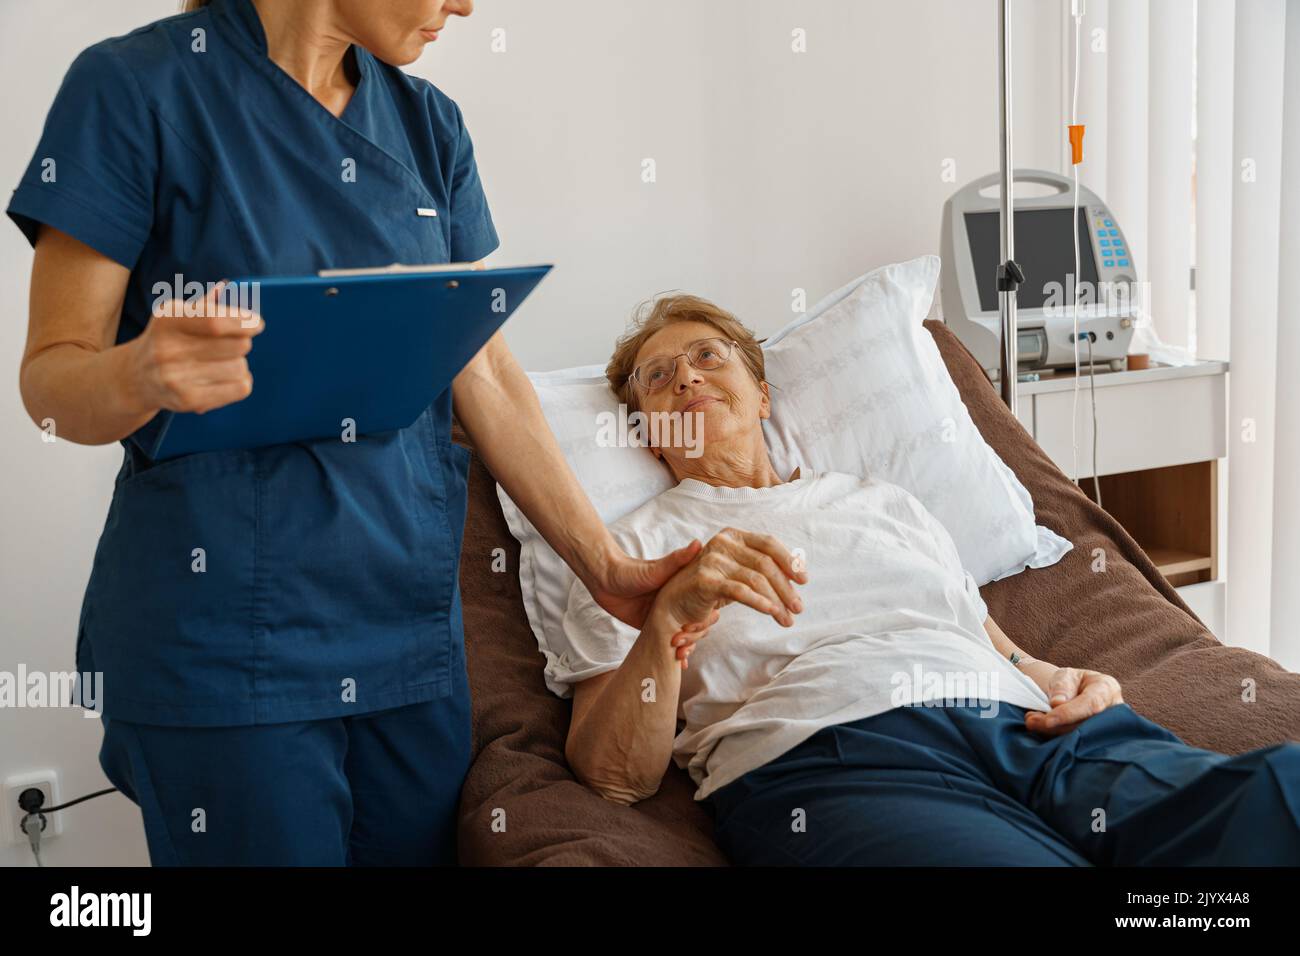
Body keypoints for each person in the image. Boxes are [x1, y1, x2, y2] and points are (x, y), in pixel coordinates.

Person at [7, 0, 782, 866]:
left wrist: (605, 567)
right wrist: (139, 373)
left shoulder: (428, 126)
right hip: (227, 639)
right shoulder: (136, 89)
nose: (464, 5)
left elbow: (484, 371)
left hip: (406, 640)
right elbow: (51, 382)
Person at [553, 293, 1300, 865]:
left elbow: (994, 642)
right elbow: (614, 773)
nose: (687, 375)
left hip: (1027, 730)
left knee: (1280, 794)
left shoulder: (881, 502)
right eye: (659, 377)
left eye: (709, 357)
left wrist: (1065, 678)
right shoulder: (627, 551)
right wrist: (667, 621)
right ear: (648, 433)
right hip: (837, 760)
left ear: (762, 395)